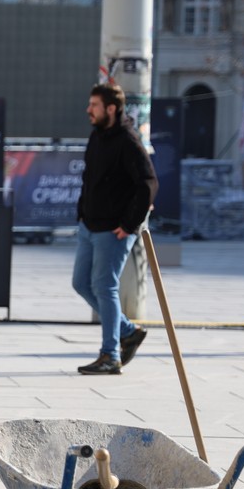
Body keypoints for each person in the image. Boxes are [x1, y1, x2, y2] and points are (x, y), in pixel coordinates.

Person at [72, 83, 159, 375]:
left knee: (105, 286)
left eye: (94, 105)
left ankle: (110, 355)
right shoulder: (98, 135)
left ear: (111, 108)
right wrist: (81, 214)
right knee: (81, 283)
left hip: (114, 230)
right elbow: (90, 179)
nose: (88, 110)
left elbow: (148, 184)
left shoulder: (128, 140)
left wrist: (129, 225)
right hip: (89, 225)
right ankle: (128, 331)